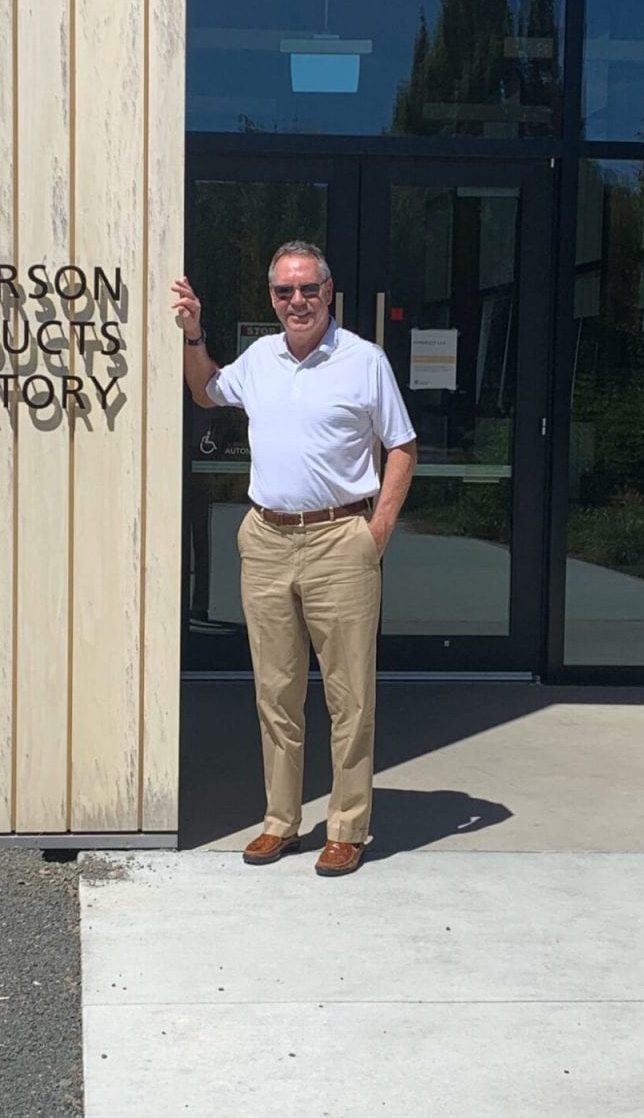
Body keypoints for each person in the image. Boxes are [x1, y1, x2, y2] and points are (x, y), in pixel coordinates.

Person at [172, 242, 418, 877]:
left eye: (308, 289)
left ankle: (348, 827)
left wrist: (378, 530)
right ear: (273, 299)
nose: (297, 301)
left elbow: (402, 447)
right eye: (285, 292)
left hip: (341, 541)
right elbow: (204, 391)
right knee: (275, 693)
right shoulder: (260, 359)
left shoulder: (364, 361)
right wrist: (195, 334)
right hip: (267, 540)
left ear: (328, 292)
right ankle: (280, 821)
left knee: (349, 697)